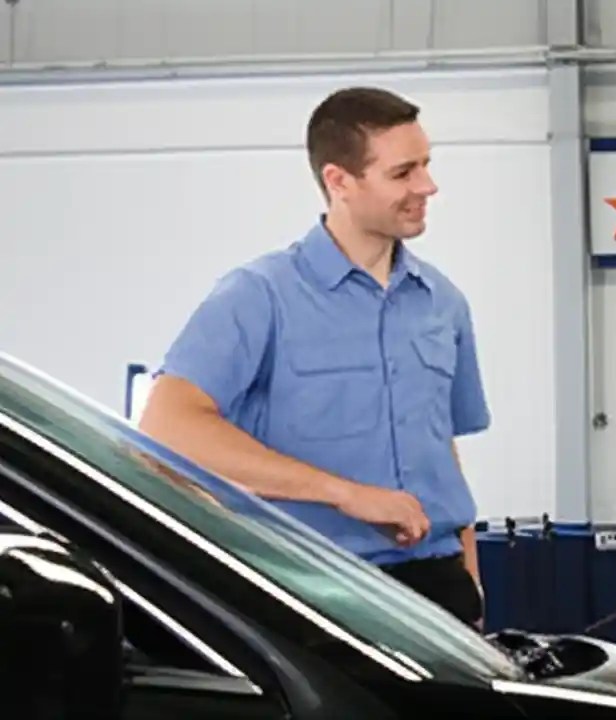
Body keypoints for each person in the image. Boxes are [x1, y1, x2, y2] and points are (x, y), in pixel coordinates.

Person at [138, 86, 490, 627]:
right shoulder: (258, 296)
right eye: (403, 173)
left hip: (439, 594)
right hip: (315, 591)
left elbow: (443, 447)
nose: (427, 186)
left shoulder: (443, 302)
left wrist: (471, 582)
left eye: (426, 164)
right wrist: (343, 495)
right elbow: (168, 427)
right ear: (339, 181)